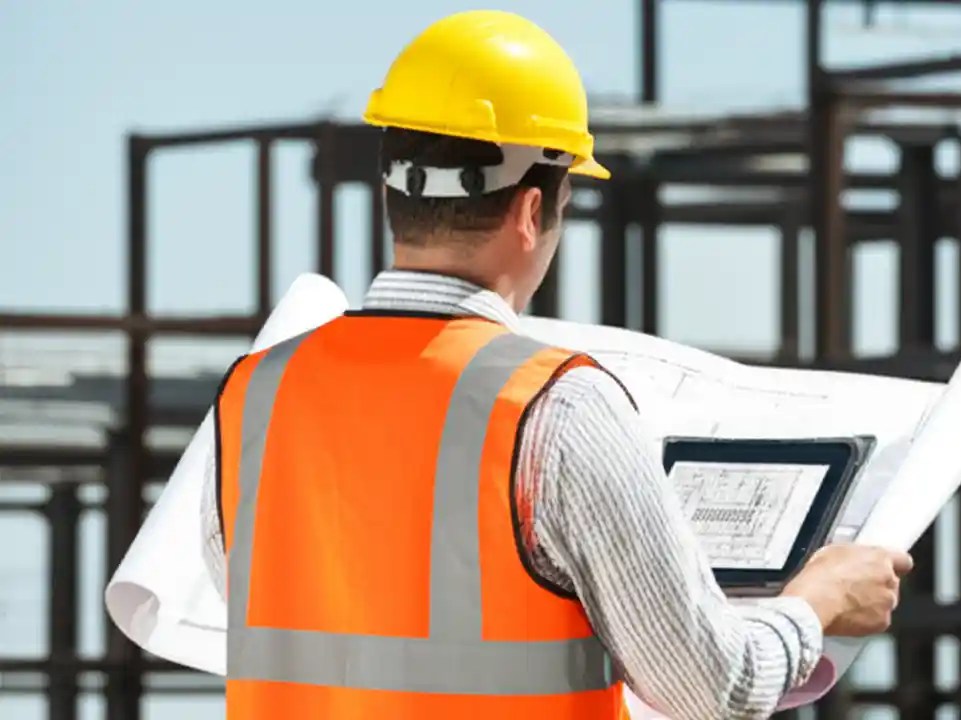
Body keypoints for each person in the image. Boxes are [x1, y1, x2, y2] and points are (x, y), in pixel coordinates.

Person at [201, 10, 913, 720]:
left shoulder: (255, 394)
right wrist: (816, 603)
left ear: (397, 192)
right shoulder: (555, 408)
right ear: (531, 211)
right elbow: (714, 687)